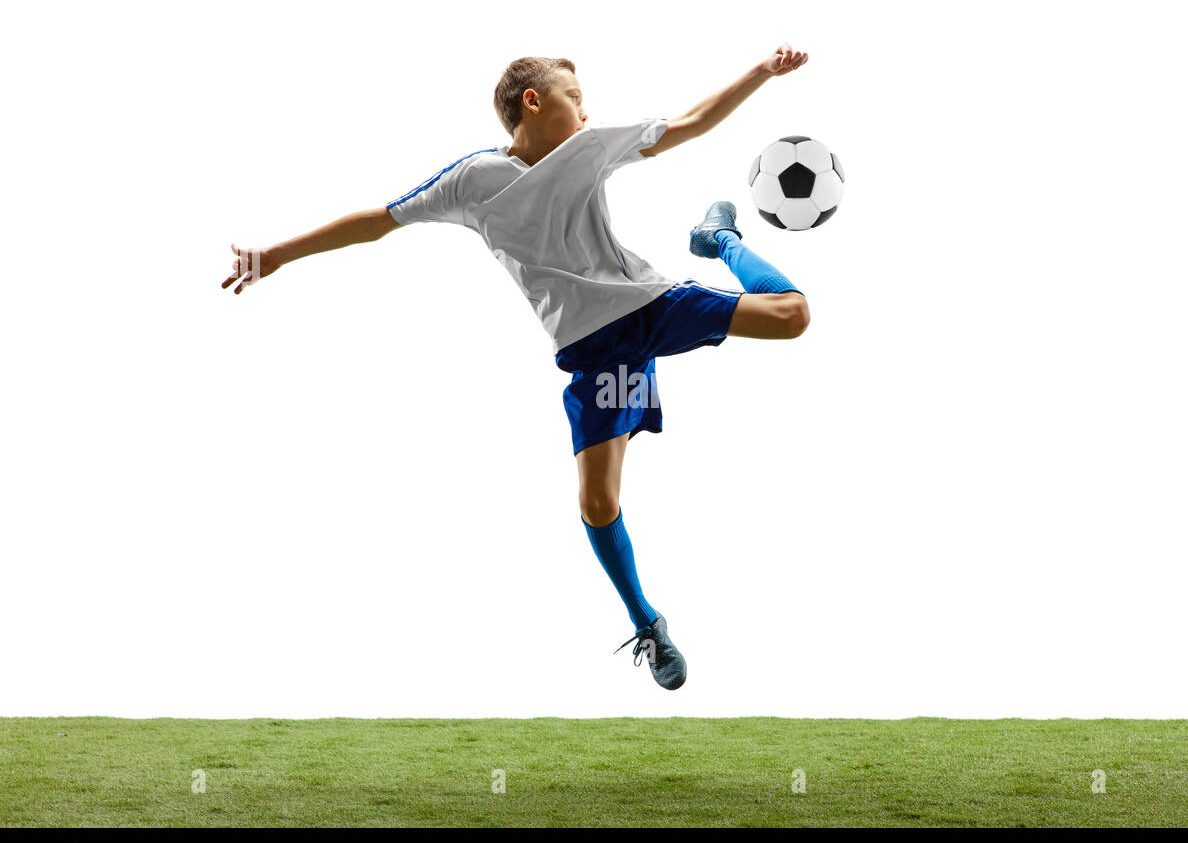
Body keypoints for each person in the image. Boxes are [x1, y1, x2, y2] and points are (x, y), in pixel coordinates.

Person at [223, 44, 812, 691]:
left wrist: (762, 71)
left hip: (648, 306)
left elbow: (693, 122)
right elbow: (376, 222)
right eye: (575, 98)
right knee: (596, 505)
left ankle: (718, 238)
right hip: (592, 351)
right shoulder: (473, 181)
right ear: (534, 102)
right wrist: (276, 256)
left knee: (791, 316)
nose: (587, 113)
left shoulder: (590, 149)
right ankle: (647, 621)